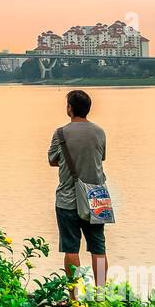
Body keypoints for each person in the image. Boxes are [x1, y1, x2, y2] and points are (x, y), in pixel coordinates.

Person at [47, 89, 108, 291]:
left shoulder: (61, 133)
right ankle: (100, 296)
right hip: (97, 196)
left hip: (67, 198)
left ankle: (75, 298)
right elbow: (101, 158)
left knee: (71, 249)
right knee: (98, 248)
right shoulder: (100, 132)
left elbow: (52, 161)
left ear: (70, 108)